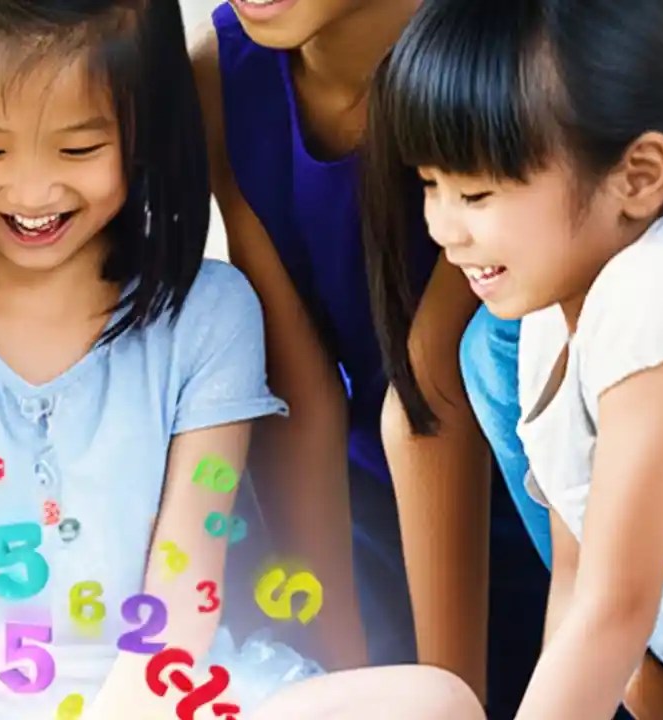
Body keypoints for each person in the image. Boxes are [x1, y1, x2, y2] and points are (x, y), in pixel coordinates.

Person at [0, 0, 485, 718]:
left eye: (79, 150)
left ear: (142, 130)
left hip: (167, 689)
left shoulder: (210, 314)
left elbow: (183, 591)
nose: (34, 191)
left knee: (432, 700)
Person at [190, 0, 547, 710]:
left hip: (536, 510)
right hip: (357, 506)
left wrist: (450, 697)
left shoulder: (505, 56)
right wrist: (343, 671)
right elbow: (301, 390)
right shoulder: (225, 77)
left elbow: (431, 388)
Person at [363, 0, 663, 716]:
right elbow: (579, 584)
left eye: (477, 193)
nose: (442, 226)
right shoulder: (546, 320)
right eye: (431, 184)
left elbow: (616, 609)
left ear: (639, 176)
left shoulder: (662, 290)